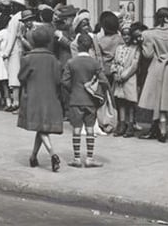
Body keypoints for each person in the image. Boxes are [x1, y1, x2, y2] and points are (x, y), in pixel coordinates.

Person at [18, 24, 63, 172]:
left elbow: (21, 77)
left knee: (40, 127)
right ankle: (33, 156)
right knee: (42, 128)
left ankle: (52, 153)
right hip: (50, 96)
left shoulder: (28, 58)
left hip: (33, 96)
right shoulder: (54, 59)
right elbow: (58, 80)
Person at [138, 7, 168, 142]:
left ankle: (162, 131)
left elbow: (147, 54)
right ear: (165, 19)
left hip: (157, 68)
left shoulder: (149, 34)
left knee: (160, 101)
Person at [62, 33, 108, 168]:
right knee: (90, 129)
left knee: (76, 129)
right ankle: (89, 158)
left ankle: (76, 158)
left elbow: (64, 81)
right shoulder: (94, 63)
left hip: (75, 100)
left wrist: (73, 90)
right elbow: (104, 81)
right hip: (90, 101)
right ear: (90, 46)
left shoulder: (71, 62)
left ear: (78, 45)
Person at [111, 24, 140, 137]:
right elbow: (114, 61)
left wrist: (123, 75)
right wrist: (114, 72)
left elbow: (134, 64)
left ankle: (130, 124)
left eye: (128, 35)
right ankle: (122, 123)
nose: (126, 37)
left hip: (129, 78)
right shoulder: (119, 48)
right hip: (118, 78)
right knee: (120, 101)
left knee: (130, 102)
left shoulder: (135, 48)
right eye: (124, 35)